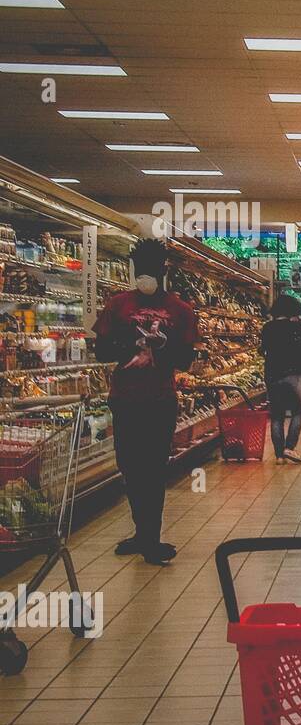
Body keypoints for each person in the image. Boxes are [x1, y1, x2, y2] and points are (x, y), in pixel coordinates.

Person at [92, 238, 198, 566]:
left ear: (162, 271)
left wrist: (161, 346)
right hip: (124, 400)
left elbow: (185, 360)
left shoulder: (181, 310)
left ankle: (151, 537)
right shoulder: (117, 305)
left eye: (152, 270)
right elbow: (102, 352)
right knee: (130, 468)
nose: (146, 276)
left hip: (160, 401)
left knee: (153, 469)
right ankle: (143, 532)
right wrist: (129, 343)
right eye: (141, 269)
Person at [260, 293, 301, 465]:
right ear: (293, 310)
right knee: (299, 411)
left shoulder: (267, 328)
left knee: (277, 415)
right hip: (293, 375)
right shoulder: (298, 329)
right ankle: (289, 447)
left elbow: (263, 350)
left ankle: (278, 456)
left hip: (272, 375)